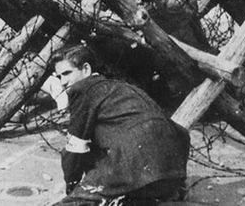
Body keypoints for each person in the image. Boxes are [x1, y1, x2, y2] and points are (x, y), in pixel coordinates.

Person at [50, 44, 189, 205]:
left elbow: (75, 148)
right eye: (59, 77)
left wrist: (72, 185)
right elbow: (180, 131)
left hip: (135, 169)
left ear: (86, 69)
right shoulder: (121, 87)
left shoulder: (84, 90)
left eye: (67, 73)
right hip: (171, 172)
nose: (63, 82)